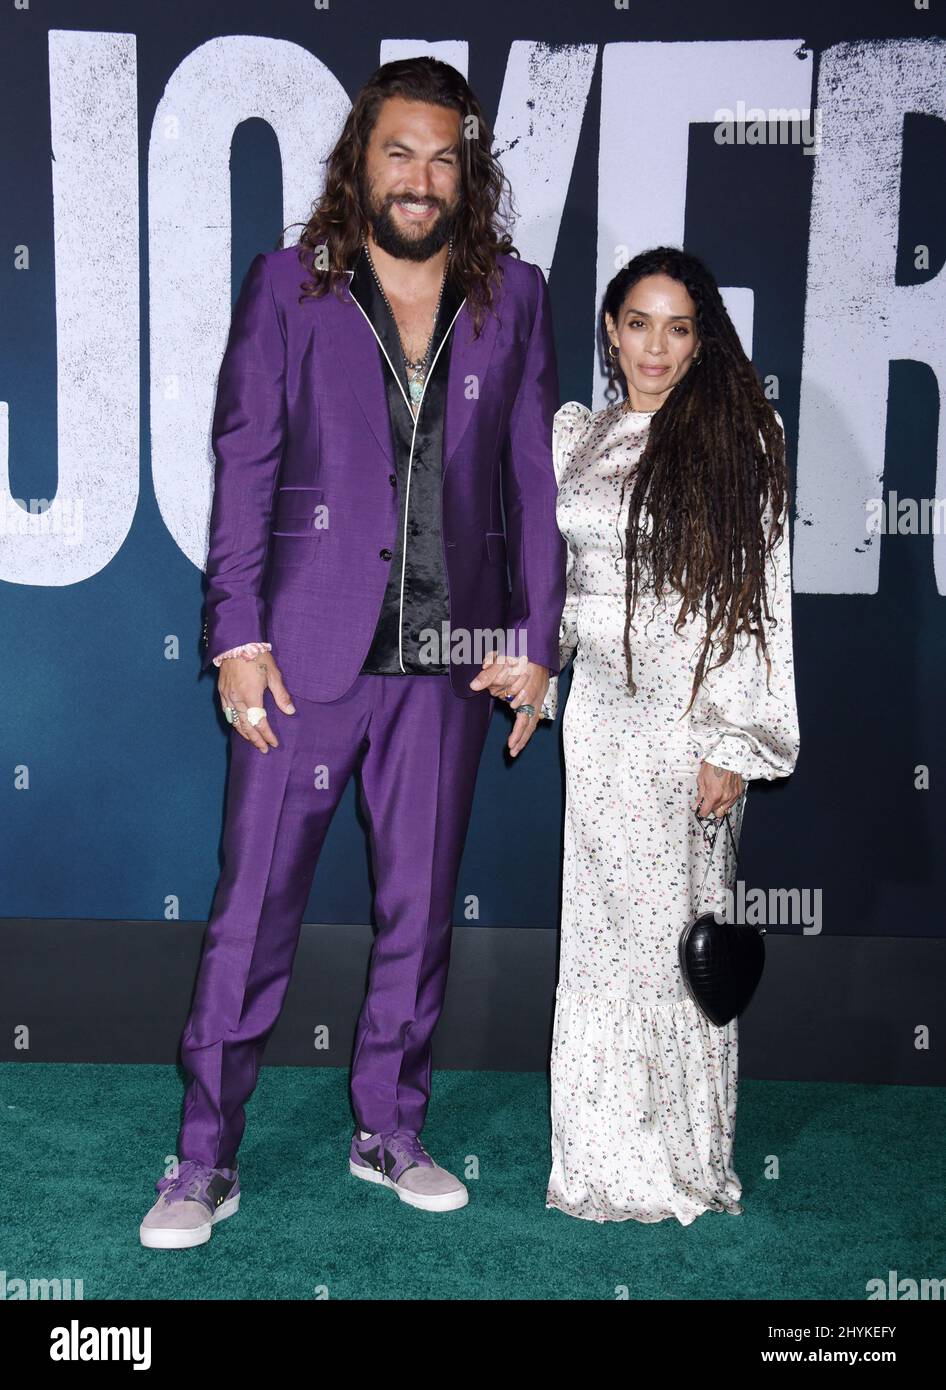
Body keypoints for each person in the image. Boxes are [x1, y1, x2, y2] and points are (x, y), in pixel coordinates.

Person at [140, 56, 565, 1248]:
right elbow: (246, 464)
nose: (420, 179)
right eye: (399, 152)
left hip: (451, 662)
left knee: (419, 912)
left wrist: (537, 639)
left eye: (443, 156)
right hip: (303, 660)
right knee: (250, 915)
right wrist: (235, 632)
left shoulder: (513, 296)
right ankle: (201, 1157)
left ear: (465, 170)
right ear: (360, 159)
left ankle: (390, 1125)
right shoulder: (290, 285)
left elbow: (532, 480)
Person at [541, 246, 800, 1224]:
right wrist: (538, 666)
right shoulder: (583, 437)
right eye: (637, 323)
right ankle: (600, 1163)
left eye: (677, 326)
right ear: (611, 331)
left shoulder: (743, 437)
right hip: (601, 723)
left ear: (701, 341)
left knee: (673, 946)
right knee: (599, 948)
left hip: (685, 728)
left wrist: (734, 740)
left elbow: (757, 600)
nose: (654, 344)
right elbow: (565, 589)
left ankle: (681, 1163)